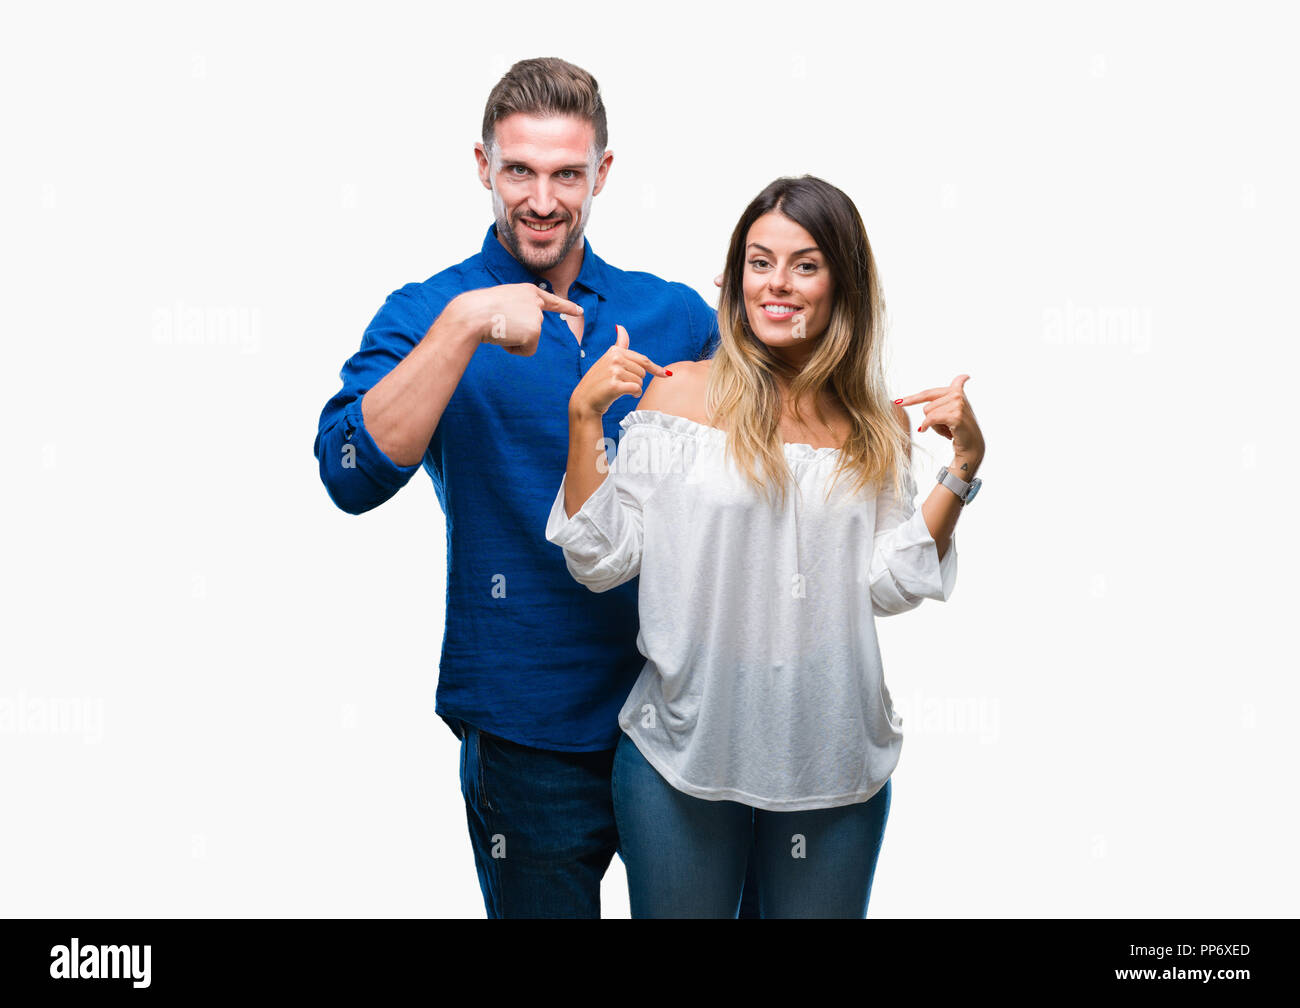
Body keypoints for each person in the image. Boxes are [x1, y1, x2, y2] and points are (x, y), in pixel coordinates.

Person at [312, 57, 767, 918]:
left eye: (567, 173)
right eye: (519, 170)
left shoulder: (669, 313)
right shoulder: (428, 310)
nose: (543, 198)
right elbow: (348, 475)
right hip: (526, 732)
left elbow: (773, 468)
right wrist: (468, 324)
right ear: (484, 167)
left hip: (683, 717)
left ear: (602, 174)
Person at [546, 174, 986, 918]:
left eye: (805, 264)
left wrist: (963, 471)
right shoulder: (677, 394)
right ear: (736, 274)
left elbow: (890, 584)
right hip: (681, 756)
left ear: (842, 281)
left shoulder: (874, 423)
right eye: (759, 261)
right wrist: (585, 422)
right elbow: (600, 560)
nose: (777, 284)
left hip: (834, 761)